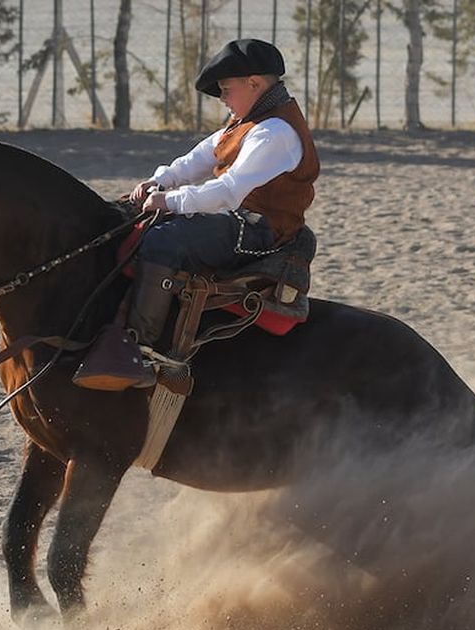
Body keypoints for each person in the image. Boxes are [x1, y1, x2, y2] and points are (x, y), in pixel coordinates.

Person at [73, 38, 320, 391]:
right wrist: (160, 181)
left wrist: (170, 201)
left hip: (259, 230)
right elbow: (198, 159)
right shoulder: (248, 121)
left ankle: (142, 351)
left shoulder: (274, 132)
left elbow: (228, 191)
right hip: (239, 218)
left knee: (163, 242)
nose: (222, 98)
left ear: (254, 83)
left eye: (226, 90)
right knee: (131, 224)